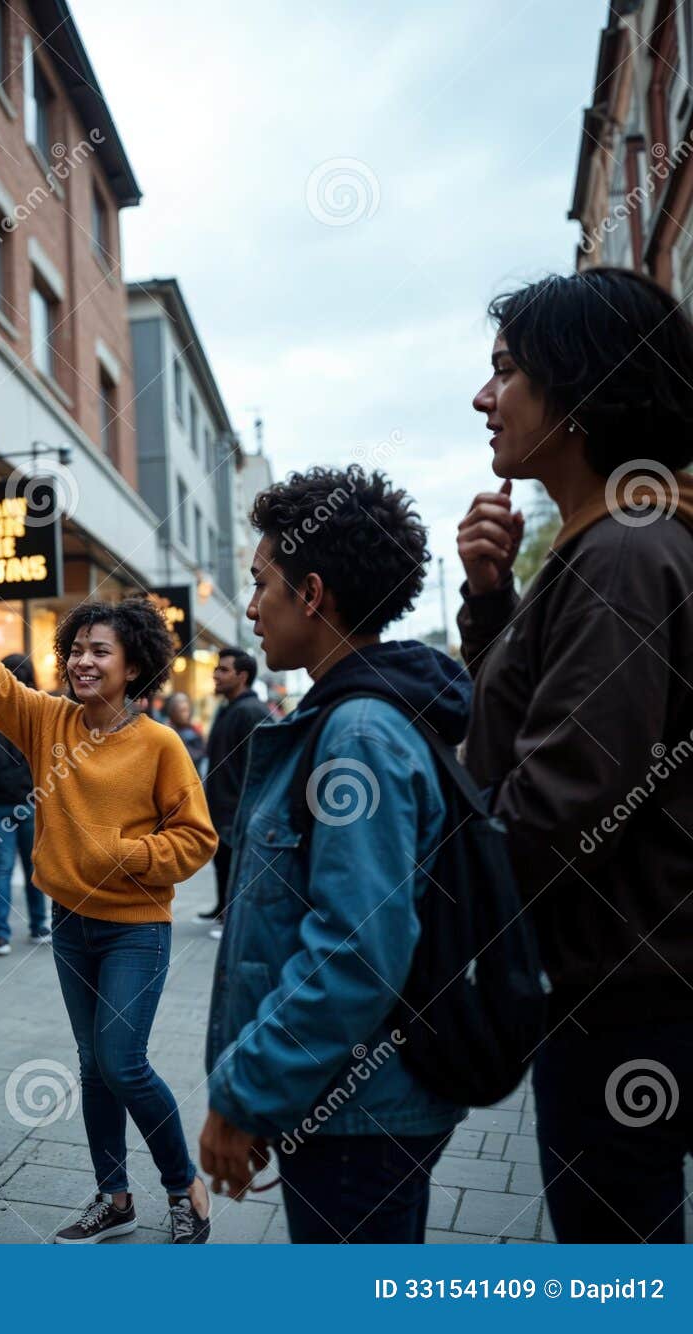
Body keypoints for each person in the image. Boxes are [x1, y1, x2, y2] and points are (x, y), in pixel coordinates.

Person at [457, 269, 693, 1243]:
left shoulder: (624, 554)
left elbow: (560, 798)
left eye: (505, 370)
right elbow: (532, 725)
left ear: (581, 385)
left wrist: (401, 913)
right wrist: (488, 600)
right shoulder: (613, 546)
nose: (482, 397)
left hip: (625, 1006)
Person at [199, 466, 469, 1244]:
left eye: (261, 585)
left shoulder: (356, 734)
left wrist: (244, 1093)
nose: (249, 609)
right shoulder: (355, 718)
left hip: (358, 1117)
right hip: (347, 1102)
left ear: (311, 594)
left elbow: (356, 952)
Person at [0, 542, 216, 1243]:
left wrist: (123, 854)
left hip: (135, 928)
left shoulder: (161, 745)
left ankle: (184, 1186)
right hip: (70, 922)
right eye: (77, 650)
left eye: (100, 652)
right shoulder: (49, 722)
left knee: (123, 1060)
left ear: (134, 666)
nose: (83, 662)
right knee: (94, 1066)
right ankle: (113, 1198)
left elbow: (197, 839)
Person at [0, 653, 50, 955]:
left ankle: (0, 934)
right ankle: (39, 925)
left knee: (0, 870)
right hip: (30, 799)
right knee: (35, 867)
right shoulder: (39, 710)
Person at [198, 648, 269, 928]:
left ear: (243, 676)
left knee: (237, 866)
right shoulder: (229, 709)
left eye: (224, 670)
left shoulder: (251, 711)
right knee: (223, 862)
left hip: (239, 807)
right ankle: (222, 910)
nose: (216, 674)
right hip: (222, 805)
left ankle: (232, 919)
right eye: (216, 668)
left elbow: (262, 763)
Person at [163, 692, 207, 770]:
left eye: (187, 710)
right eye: (182, 711)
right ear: (172, 712)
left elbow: (201, 755)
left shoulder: (195, 730)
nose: (186, 715)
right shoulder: (166, 732)